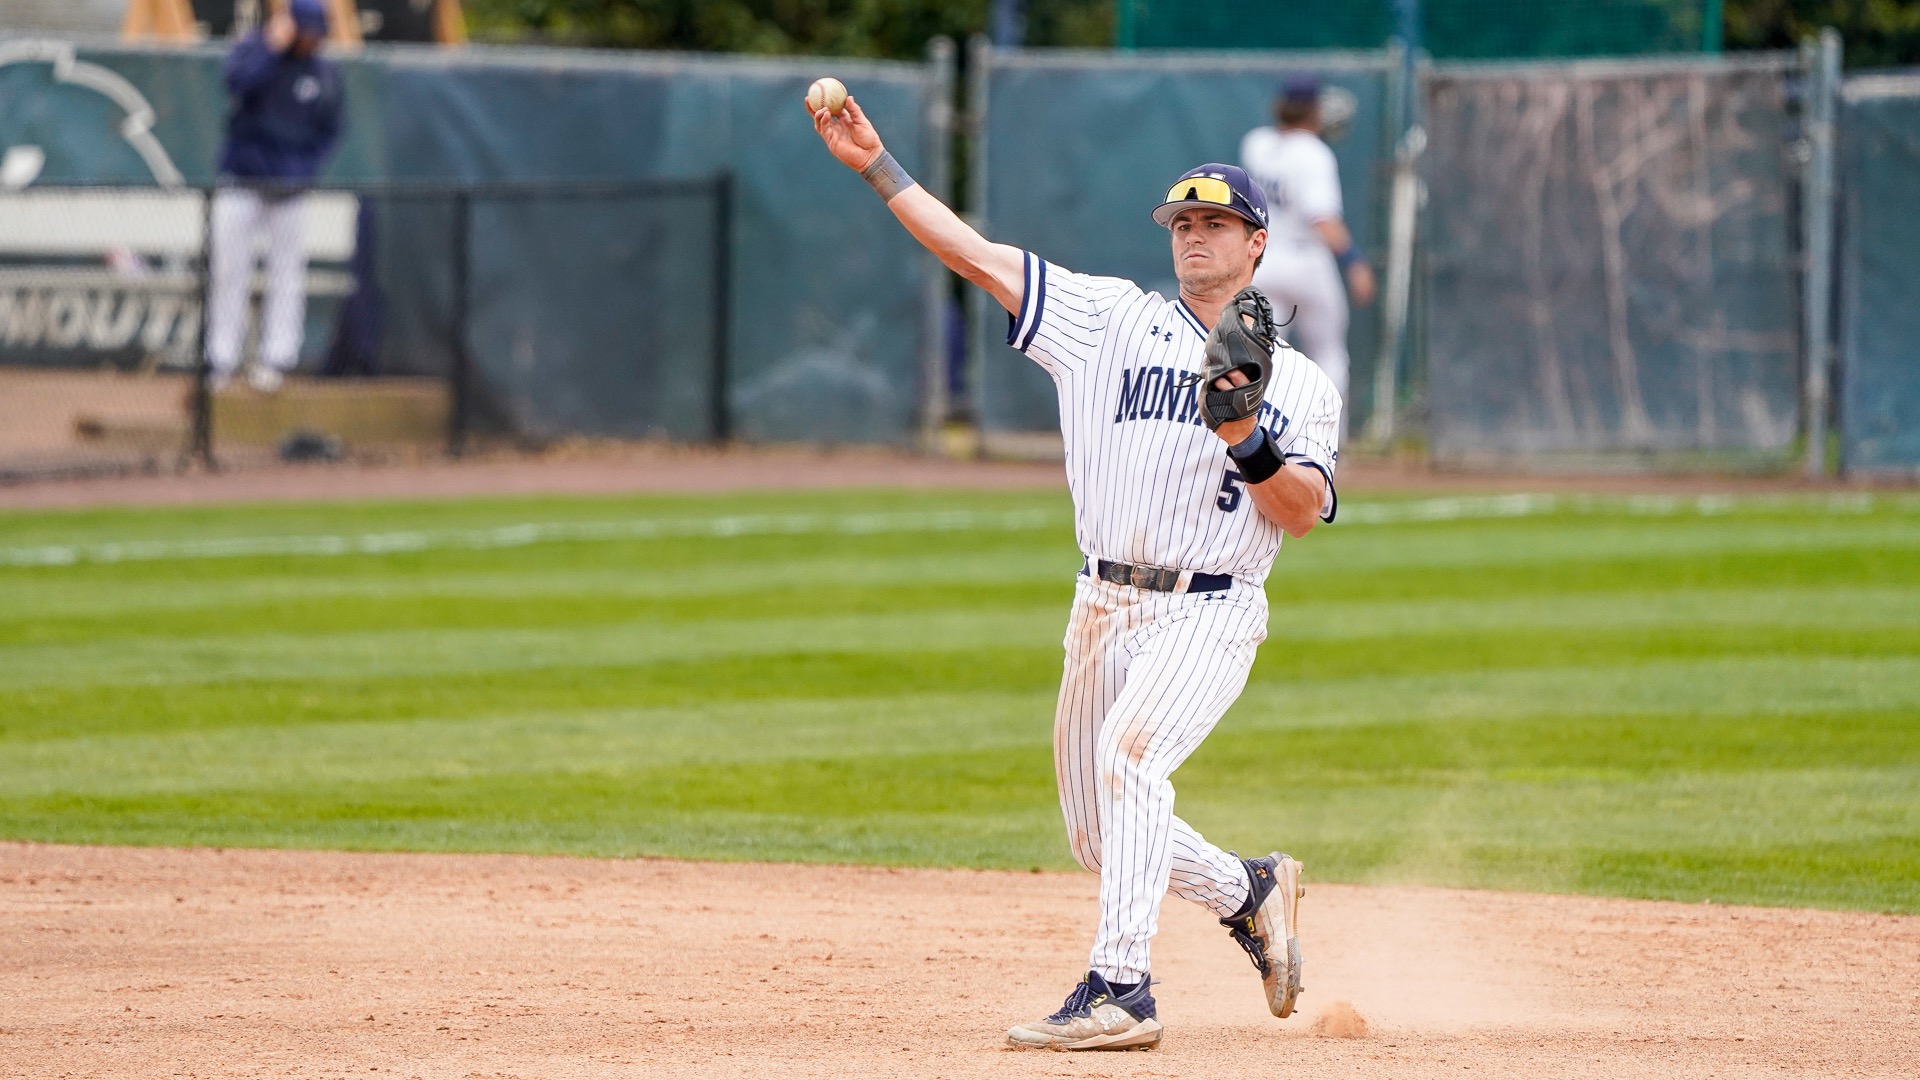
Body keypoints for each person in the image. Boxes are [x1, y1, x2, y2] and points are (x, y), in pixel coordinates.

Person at [807, 94, 1339, 1051]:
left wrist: (1246, 439)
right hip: (1100, 602)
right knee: (1099, 833)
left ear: (1257, 243)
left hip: (1210, 610)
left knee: (1131, 761)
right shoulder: (1106, 320)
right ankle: (1249, 890)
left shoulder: (1300, 384)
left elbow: (1300, 512)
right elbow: (974, 254)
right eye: (1181, 222)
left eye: (1215, 222)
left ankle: (1121, 992)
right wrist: (878, 167)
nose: (1192, 237)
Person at [205, 0, 344, 393]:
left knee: (287, 273)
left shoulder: (324, 71)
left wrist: (305, 171)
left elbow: (332, 129)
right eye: (306, 30)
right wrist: (271, 47)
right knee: (230, 270)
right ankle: (220, 359)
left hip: (290, 189)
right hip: (242, 180)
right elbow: (237, 84)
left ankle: (276, 359)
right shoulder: (255, 50)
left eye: (318, 32)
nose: (312, 39)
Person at [1241, 76, 1374, 436]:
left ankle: (1260, 432)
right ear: (1313, 109)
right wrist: (1354, 262)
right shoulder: (1313, 153)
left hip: (1264, 261)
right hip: (1307, 261)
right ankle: (1332, 436)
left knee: (1263, 352)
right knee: (1328, 352)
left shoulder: (1257, 143)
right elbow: (1323, 219)